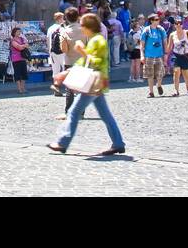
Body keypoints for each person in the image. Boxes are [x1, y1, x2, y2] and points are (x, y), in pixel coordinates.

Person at [47, 13, 127, 156]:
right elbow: (84, 62)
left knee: (74, 111)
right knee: (105, 115)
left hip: (93, 82)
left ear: (89, 27)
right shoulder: (94, 40)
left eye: (83, 25)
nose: (81, 27)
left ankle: (62, 143)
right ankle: (118, 143)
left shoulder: (99, 41)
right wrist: (66, 73)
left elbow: (96, 61)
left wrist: (82, 51)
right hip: (97, 82)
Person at [142, 14, 167, 98]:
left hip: (159, 55)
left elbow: (164, 42)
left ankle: (158, 85)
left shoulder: (161, 29)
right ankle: (151, 92)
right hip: (149, 55)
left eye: (158, 19)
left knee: (160, 74)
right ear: (151, 21)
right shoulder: (146, 30)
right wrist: (142, 56)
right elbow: (142, 45)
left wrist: (166, 53)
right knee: (150, 75)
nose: (158, 21)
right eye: (156, 19)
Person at [170, 18, 188, 95]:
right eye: (177, 23)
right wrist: (165, 56)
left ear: (182, 24)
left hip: (185, 55)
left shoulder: (186, 32)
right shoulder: (172, 35)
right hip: (176, 55)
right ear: (174, 25)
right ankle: (176, 90)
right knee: (176, 72)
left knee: (186, 73)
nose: (178, 25)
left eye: (180, 23)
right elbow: (169, 47)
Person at [9, 26, 30, 94]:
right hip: (16, 59)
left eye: (20, 31)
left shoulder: (22, 38)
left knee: (24, 74)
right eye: (18, 32)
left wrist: (23, 45)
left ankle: (23, 88)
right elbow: (19, 47)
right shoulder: (13, 40)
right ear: (14, 33)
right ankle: (19, 89)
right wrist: (24, 46)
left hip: (23, 58)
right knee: (17, 74)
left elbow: (27, 44)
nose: (19, 33)